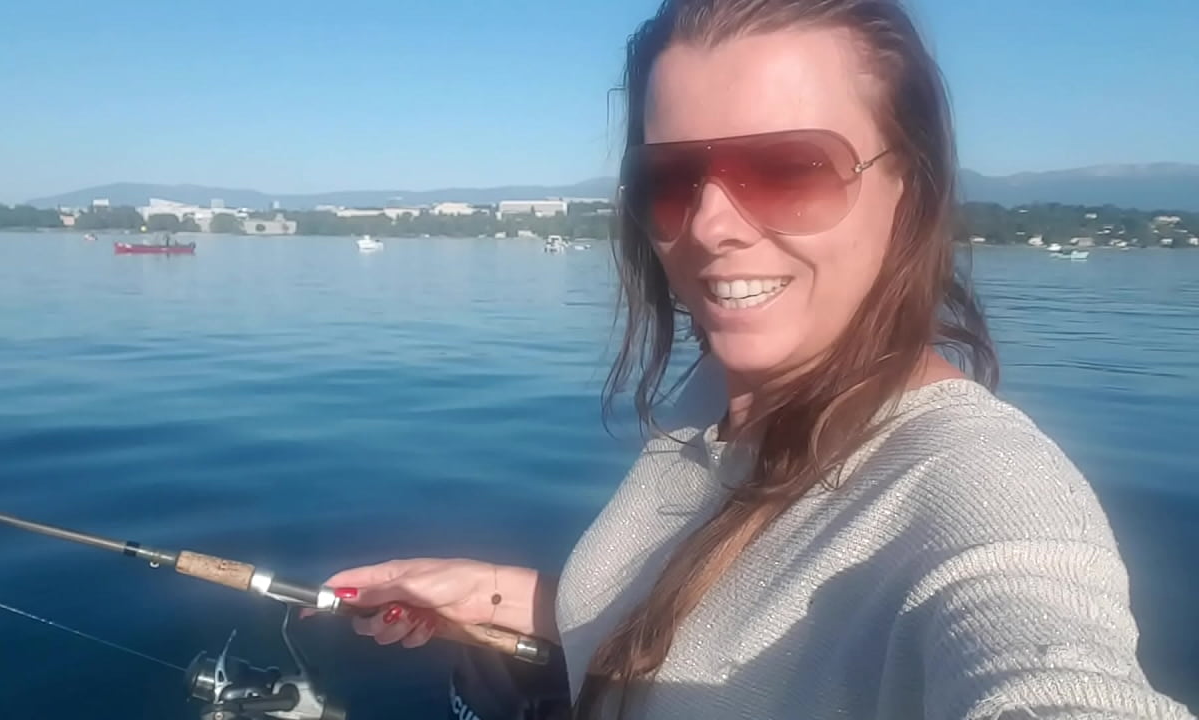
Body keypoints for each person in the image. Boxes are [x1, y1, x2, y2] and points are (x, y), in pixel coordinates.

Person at [318, 1, 1197, 718]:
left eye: (788, 169)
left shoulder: (980, 488)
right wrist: (506, 595)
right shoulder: (720, 396)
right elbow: (725, 624)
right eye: (670, 178)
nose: (709, 224)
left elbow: (1041, 658)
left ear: (911, 189)